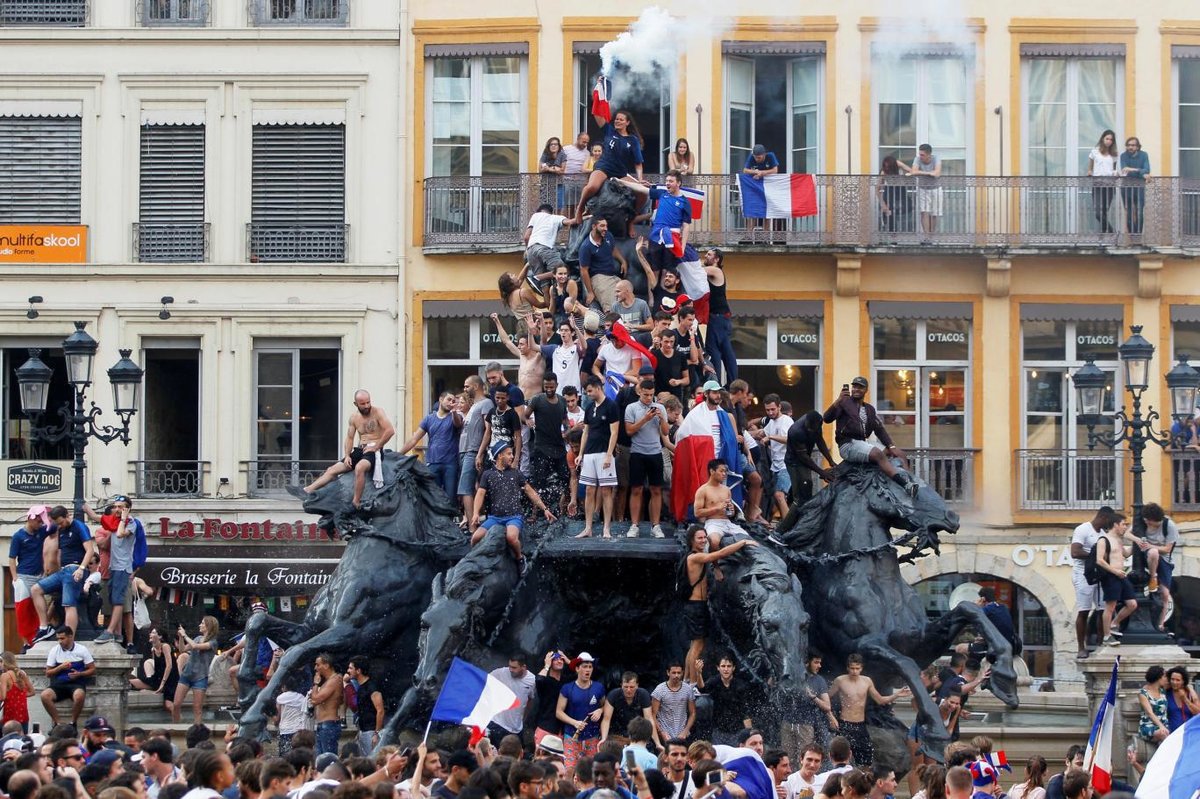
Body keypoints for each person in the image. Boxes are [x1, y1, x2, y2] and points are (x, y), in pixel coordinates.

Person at [291, 390, 395, 509]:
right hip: (360, 450)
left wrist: (376, 446)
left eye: (368, 402)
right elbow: (350, 438)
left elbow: (390, 431)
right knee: (332, 469)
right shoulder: (354, 418)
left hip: (374, 451)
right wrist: (347, 455)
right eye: (363, 404)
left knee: (360, 467)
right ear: (356, 404)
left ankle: (356, 501)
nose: (366, 406)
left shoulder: (378, 412)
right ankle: (307, 491)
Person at [682, 524, 757, 685]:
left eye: (704, 537)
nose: (703, 541)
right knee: (697, 646)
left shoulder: (696, 555)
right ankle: (694, 684)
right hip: (695, 606)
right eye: (699, 538)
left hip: (695, 605)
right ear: (691, 541)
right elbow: (720, 553)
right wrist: (742, 543)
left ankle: (687, 679)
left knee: (694, 644)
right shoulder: (693, 557)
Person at [471, 440, 556, 573]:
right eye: (509, 454)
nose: (512, 457)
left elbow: (530, 491)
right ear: (500, 456)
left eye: (512, 454)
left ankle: (520, 558)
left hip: (513, 516)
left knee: (511, 537)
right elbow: (480, 494)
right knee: (475, 538)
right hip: (495, 518)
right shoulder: (488, 474)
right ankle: (476, 562)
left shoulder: (516, 473)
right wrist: (476, 513)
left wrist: (545, 509)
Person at [823, 377, 917, 496]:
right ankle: (905, 485)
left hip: (862, 443)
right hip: (848, 444)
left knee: (899, 453)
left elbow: (879, 429)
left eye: (860, 387)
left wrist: (891, 446)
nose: (856, 389)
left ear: (866, 390)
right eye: (854, 386)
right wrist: (838, 400)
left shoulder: (869, 409)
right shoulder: (844, 403)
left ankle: (912, 481)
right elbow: (826, 418)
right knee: (878, 454)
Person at [828, 654, 910, 767]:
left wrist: (897, 695)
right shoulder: (840, 680)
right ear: (847, 668)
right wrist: (830, 715)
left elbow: (880, 700)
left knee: (866, 756)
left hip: (860, 724)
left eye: (857, 668)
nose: (854, 671)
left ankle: (862, 780)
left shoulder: (867, 681)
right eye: (852, 668)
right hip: (845, 723)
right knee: (842, 756)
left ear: (861, 668)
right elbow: (827, 697)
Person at [30, 506, 97, 642]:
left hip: (75, 568)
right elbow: (60, 553)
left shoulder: (79, 527)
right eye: (57, 524)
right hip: (63, 571)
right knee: (36, 589)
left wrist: (81, 568)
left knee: (68, 603)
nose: (60, 525)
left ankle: (68, 638)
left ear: (68, 515)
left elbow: (90, 550)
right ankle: (44, 627)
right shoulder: (61, 530)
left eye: (61, 522)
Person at [571, 109, 648, 227]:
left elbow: (638, 162)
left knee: (643, 193)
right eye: (616, 119)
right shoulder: (609, 130)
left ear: (627, 123)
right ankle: (579, 210)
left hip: (620, 172)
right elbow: (597, 115)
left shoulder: (633, 140)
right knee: (592, 186)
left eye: (621, 119)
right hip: (603, 167)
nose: (617, 121)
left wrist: (640, 178)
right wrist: (599, 96)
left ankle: (631, 220)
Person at [625, 379, 671, 538]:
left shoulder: (660, 407)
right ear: (639, 392)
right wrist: (645, 418)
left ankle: (656, 526)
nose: (649, 398)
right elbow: (629, 431)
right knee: (636, 489)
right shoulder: (631, 408)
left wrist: (662, 419)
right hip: (637, 452)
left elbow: (665, 432)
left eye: (651, 395)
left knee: (656, 490)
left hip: (655, 452)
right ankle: (634, 525)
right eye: (646, 395)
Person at [576, 376, 620, 539]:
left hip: (604, 453)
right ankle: (588, 527)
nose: (588, 394)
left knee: (606, 490)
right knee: (589, 490)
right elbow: (585, 432)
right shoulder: (589, 407)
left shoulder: (611, 406)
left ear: (597, 388)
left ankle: (606, 528)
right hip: (589, 453)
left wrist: (609, 455)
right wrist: (581, 453)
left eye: (589, 391)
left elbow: (614, 432)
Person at [1070, 506, 1116, 660]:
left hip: (1100, 575)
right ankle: (1081, 648)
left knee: (1102, 610)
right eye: (1109, 521)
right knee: (1084, 610)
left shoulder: (1104, 535)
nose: (1110, 525)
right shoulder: (1083, 529)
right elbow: (1075, 551)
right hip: (1082, 574)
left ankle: (1100, 644)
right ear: (1103, 517)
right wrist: (1096, 556)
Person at [628, 169, 692, 272]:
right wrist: (621, 182)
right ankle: (652, 289)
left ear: (678, 183)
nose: (667, 183)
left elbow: (686, 226)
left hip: (671, 237)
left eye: (671, 181)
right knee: (654, 269)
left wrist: (682, 247)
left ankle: (663, 288)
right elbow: (641, 189)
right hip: (655, 236)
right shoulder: (662, 194)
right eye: (666, 181)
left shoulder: (685, 202)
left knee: (667, 271)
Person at [1130, 502, 1178, 631]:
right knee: (1153, 553)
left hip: (1164, 560)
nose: (1150, 525)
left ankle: (1160, 624)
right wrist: (1137, 540)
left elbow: (1167, 549)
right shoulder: (1142, 521)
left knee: (1165, 594)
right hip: (1148, 555)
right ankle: (1153, 577)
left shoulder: (1169, 525)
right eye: (1148, 522)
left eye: (1153, 523)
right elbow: (1126, 533)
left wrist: (1151, 545)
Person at [556, 652, 606, 771]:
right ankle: (568, 789)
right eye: (584, 667)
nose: (588, 670)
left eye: (590, 667)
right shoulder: (567, 688)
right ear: (577, 669)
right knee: (569, 769)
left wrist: (600, 710)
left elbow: (606, 706)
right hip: (571, 736)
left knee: (593, 770)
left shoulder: (599, 687)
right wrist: (574, 722)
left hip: (592, 736)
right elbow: (558, 712)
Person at [1094, 511, 1137, 646]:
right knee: (1110, 607)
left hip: (1121, 575)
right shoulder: (1103, 540)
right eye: (1123, 524)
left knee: (1132, 604)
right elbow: (1099, 560)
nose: (1125, 527)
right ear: (1115, 525)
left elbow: (1125, 554)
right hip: (1111, 576)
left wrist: (1137, 543)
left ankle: (1115, 623)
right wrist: (1115, 571)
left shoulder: (1119, 540)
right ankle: (1107, 636)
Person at [8, 507, 49, 639]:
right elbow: (12, 558)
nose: (40, 523)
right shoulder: (18, 536)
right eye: (38, 520)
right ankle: (26, 642)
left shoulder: (42, 531)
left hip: (40, 576)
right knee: (23, 611)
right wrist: (15, 578)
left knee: (42, 607)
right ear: (30, 519)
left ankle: (41, 633)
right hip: (24, 576)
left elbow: (54, 525)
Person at [40, 625, 94, 726]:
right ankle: (58, 723)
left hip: (76, 683)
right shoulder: (54, 650)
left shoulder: (82, 649)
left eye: (62, 638)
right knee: (44, 696)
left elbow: (92, 669)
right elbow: (48, 673)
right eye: (58, 639)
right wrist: (60, 667)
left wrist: (79, 674)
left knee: (79, 696)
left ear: (70, 636)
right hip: (59, 684)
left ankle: (73, 722)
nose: (60, 641)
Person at [457, 376, 492, 527]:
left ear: (476, 386)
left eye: (467, 386)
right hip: (465, 451)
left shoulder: (486, 403)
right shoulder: (473, 406)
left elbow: (488, 429)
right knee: (469, 488)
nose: (465, 389)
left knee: (465, 488)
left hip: (473, 451)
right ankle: (473, 522)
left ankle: (473, 527)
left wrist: (480, 453)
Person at [783, 411, 836, 507]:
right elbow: (803, 457)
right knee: (799, 496)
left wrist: (831, 461)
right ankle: (793, 517)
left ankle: (800, 508)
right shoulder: (796, 431)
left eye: (812, 429)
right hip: (794, 462)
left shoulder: (818, 423)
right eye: (808, 428)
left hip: (804, 459)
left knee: (807, 486)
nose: (809, 430)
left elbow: (820, 441)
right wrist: (821, 472)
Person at [699, 248, 736, 384]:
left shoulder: (716, 270)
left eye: (709, 255)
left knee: (713, 350)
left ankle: (716, 383)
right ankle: (732, 381)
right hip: (720, 317)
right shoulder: (714, 272)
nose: (705, 256)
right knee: (726, 351)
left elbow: (697, 271)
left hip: (717, 317)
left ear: (716, 260)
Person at [755, 395, 794, 520]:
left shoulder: (786, 420)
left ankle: (788, 527)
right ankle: (786, 523)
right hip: (775, 466)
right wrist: (742, 433)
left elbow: (788, 439)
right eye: (767, 410)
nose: (770, 412)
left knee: (779, 495)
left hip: (786, 464)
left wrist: (770, 437)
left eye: (773, 409)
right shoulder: (771, 422)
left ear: (779, 407)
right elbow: (761, 434)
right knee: (776, 498)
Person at [701, 654, 753, 746]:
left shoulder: (741, 685)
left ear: (733, 668)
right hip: (718, 731)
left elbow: (746, 712)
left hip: (737, 731)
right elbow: (702, 689)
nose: (726, 669)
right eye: (723, 666)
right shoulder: (714, 682)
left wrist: (750, 734)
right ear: (718, 668)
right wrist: (698, 673)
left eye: (729, 666)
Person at [486, 654, 537, 747]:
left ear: (523, 667)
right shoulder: (501, 673)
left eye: (514, 667)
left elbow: (530, 699)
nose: (511, 670)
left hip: (516, 727)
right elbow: (485, 681)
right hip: (497, 723)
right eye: (509, 666)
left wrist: (523, 718)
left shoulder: (532, 680)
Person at [173, 617, 217, 723]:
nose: (199, 625)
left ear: (208, 626)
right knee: (176, 704)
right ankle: (176, 727)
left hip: (200, 677)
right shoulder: (197, 638)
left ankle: (198, 731)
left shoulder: (213, 642)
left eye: (202, 623)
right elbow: (182, 649)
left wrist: (185, 635)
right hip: (187, 674)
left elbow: (196, 646)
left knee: (197, 709)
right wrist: (181, 638)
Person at [579, 218, 627, 315]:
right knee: (612, 309)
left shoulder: (608, 236)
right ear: (594, 226)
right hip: (599, 278)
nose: (605, 228)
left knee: (628, 296)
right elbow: (584, 270)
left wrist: (623, 261)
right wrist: (590, 292)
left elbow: (613, 249)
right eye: (602, 226)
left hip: (613, 276)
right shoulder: (586, 246)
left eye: (606, 226)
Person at [524, 204, 581, 280]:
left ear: (539, 211)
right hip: (544, 248)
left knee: (544, 283)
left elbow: (526, 237)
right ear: (551, 212)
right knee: (562, 269)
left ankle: (539, 280)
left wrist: (528, 250)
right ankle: (536, 278)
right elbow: (571, 222)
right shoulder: (556, 218)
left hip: (531, 250)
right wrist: (582, 216)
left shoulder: (535, 216)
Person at [129, 628, 178, 715]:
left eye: (153, 632)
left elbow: (169, 666)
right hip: (157, 679)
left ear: (160, 636)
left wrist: (162, 684)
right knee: (130, 683)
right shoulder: (153, 649)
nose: (150, 634)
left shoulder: (165, 646)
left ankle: (178, 723)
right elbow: (157, 667)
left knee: (168, 705)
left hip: (170, 681)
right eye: (150, 632)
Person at [600, 672, 655, 747]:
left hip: (638, 735)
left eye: (632, 687)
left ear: (637, 686)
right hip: (617, 735)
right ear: (621, 685)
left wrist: (657, 743)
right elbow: (606, 719)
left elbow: (649, 719)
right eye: (626, 687)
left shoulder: (643, 694)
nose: (628, 690)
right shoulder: (613, 695)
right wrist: (603, 738)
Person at [344, 658, 384, 757]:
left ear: (358, 671)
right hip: (363, 731)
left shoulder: (372, 687)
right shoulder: (361, 687)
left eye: (351, 668)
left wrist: (376, 733)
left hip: (371, 732)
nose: (348, 671)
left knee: (371, 762)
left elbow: (380, 711)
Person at [650, 663, 697, 744]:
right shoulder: (660, 690)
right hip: (664, 733)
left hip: (682, 733)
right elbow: (653, 714)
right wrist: (662, 733)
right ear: (668, 673)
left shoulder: (687, 689)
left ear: (682, 673)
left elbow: (693, 713)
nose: (676, 675)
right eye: (674, 673)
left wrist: (686, 731)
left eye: (679, 673)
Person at [1087, 130, 1119, 235]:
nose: (1109, 141)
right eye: (1107, 139)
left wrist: (1115, 174)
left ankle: (1104, 233)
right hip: (1097, 185)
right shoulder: (1095, 152)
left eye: (1111, 140)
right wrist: (1090, 172)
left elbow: (1113, 169)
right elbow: (1090, 167)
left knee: (1104, 212)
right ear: (1102, 139)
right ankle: (1111, 230)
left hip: (1110, 185)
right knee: (1098, 213)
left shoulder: (1114, 154)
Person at [741, 144, 780, 231]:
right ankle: (749, 235)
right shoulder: (751, 157)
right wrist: (755, 172)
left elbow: (775, 170)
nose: (757, 159)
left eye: (759, 157)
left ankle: (765, 236)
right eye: (756, 157)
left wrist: (762, 173)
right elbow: (745, 170)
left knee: (768, 210)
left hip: (769, 187)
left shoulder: (770, 156)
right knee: (753, 209)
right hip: (755, 187)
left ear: (764, 154)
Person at [910, 144, 942, 243]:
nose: (920, 156)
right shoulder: (917, 159)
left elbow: (937, 174)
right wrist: (928, 173)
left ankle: (931, 237)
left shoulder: (936, 159)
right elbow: (913, 172)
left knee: (934, 214)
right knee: (924, 212)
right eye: (920, 154)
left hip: (936, 189)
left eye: (922, 155)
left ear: (929, 155)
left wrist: (921, 172)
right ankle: (926, 237)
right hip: (922, 189)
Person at [1119, 137, 1150, 235]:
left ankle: (1138, 235)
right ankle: (1133, 236)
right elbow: (1124, 169)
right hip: (1126, 187)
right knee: (1129, 213)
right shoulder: (1123, 156)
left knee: (1139, 212)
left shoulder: (1144, 155)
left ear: (1137, 147)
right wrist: (1140, 171)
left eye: (1132, 145)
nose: (1130, 147)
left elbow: (1147, 169)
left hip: (1140, 187)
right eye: (1128, 145)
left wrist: (1133, 170)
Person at [1137, 665, 1170, 749]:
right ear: (1158, 678)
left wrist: (1191, 690)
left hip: (1164, 726)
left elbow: (1181, 684)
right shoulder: (1143, 693)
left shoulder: (1163, 690)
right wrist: (1161, 726)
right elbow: (1149, 713)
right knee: (1164, 735)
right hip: (1148, 726)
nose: (1166, 679)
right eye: (1164, 676)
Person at [877, 155, 911, 237]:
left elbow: (911, 171)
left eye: (888, 167)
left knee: (907, 207)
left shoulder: (898, 166)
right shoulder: (883, 172)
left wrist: (901, 165)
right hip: (889, 190)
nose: (887, 168)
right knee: (888, 209)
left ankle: (892, 223)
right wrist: (883, 204)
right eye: (885, 167)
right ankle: (893, 234)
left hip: (900, 189)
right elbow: (877, 189)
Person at [0, 652, 32, 731]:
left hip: (10, 714)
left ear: (4, 662)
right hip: (23, 714)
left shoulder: (5, 676)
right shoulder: (22, 674)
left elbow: (2, 697)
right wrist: (18, 696)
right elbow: (32, 692)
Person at [1166, 666, 1199, 731]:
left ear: (1183, 681)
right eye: (1172, 679)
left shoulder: (1190, 694)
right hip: (1171, 732)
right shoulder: (1166, 692)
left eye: (1178, 680)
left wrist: (1185, 699)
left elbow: (1198, 713)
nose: (1174, 682)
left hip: (1188, 731)